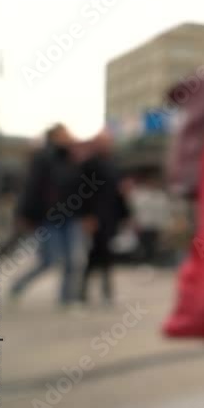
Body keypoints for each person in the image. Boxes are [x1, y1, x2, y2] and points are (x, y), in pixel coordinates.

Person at [9, 124, 85, 309]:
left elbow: (80, 188)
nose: (69, 136)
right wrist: (25, 214)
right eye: (64, 134)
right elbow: (32, 188)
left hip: (70, 215)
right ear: (55, 137)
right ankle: (18, 286)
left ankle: (66, 299)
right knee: (49, 260)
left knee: (72, 260)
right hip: (49, 216)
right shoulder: (42, 158)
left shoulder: (71, 159)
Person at [77, 131, 130, 308]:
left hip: (111, 215)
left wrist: (126, 215)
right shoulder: (89, 165)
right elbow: (82, 193)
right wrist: (87, 216)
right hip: (96, 216)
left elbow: (119, 193)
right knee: (95, 254)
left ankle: (103, 291)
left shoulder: (114, 163)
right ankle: (85, 292)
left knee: (105, 254)